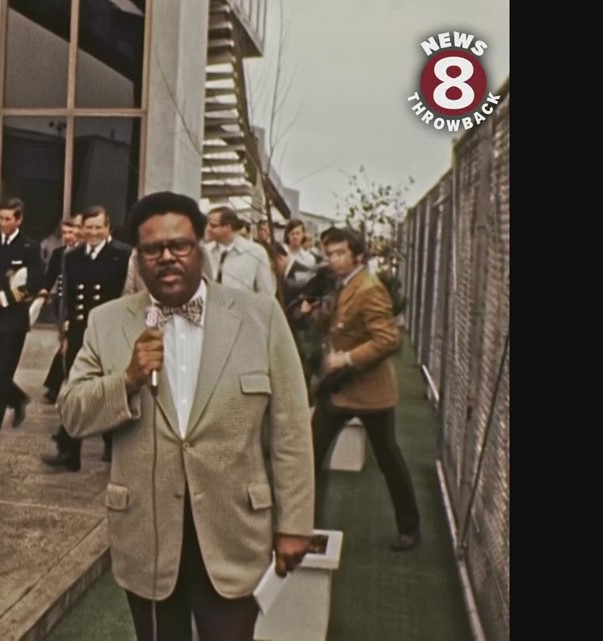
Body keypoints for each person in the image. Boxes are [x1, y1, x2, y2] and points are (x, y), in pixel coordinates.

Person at [58, 191, 315, 641]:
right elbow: (73, 414)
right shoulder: (107, 322)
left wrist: (295, 524)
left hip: (235, 531)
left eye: (180, 245)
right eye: (153, 250)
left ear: (200, 247)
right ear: (138, 258)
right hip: (147, 536)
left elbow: (291, 428)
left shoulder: (260, 316)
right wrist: (128, 379)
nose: (167, 258)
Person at [311, 227, 421, 551]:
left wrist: (346, 357)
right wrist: (319, 317)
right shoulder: (347, 283)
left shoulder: (370, 288)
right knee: (310, 454)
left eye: (340, 253)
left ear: (358, 256)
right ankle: (305, 528)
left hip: (371, 392)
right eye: (329, 253)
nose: (333, 259)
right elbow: (346, 325)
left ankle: (410, 528)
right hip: (341, 389)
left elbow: (388, 340)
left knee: (388, 459)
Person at [43, 205, 131, 471]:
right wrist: (65, 333)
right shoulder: (71, 257)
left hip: (111, 331)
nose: (92, 232)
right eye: (88, 227)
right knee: (75, 389)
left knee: (111, 388)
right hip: (81, 331)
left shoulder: (123, 255)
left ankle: (111, 444)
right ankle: (70, 452)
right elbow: (67, 299)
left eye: (98, 227)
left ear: (108, 228)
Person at [0, 198, 45, 443]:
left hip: (13, 320)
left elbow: (34, 282)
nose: (2, 223)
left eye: (8, 219)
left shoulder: (30, 248)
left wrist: (2, 298)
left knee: (3, 373)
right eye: (0, 218)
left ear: (19, 219)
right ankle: (17, 398)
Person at [40, 214, 83, 403]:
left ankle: (56, 384)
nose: (68, 236)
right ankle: (55, 385)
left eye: (71, 231)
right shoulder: (59, 254)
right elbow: (49, 278)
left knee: (69, 344)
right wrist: (41, 294)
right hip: (61, 302)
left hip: (79, 302)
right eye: (65, 232)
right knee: (65, 343)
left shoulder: (84, 253)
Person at [204, 205, 276, 296]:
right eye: (207, 224)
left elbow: (266, 292)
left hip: (243, 308)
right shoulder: (205, 251)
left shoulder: (255, 252)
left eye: (213, 226)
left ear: (227, 226)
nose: (208, 229)